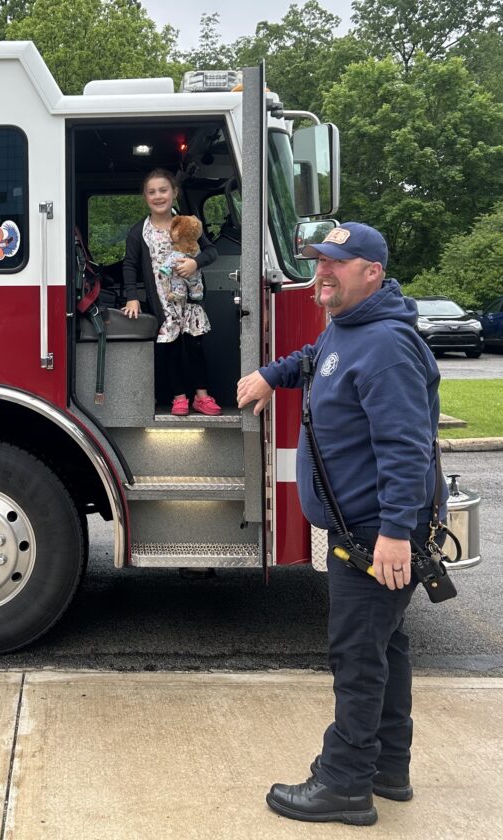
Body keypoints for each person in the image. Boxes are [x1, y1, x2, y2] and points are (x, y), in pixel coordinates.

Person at [236, 222, 447, 826]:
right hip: (363, 533)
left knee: (356, 655)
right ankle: (387, 766)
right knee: (385, 647)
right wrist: (272, 375)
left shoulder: (385, 347)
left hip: (371, 537)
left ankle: (346, 783)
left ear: (371, 272)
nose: (321, 272)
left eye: (337, 262)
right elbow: (317, 359)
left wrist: (394, 534)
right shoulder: (351, 330)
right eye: (319, 261)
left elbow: (406, 449)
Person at [121, 169, 223, 416]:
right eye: (152, 192)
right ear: (145, 197)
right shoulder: (139, 232)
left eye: (163, 190)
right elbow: (129, 265)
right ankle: (179, 397)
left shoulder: (188, 224)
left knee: (195, 347)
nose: (158, 196)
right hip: (163, 302)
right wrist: (132, 297)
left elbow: (211, 252)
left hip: (190, 301)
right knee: (172, 349)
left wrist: (194, 263)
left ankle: (202, 397)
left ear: (174, 193)